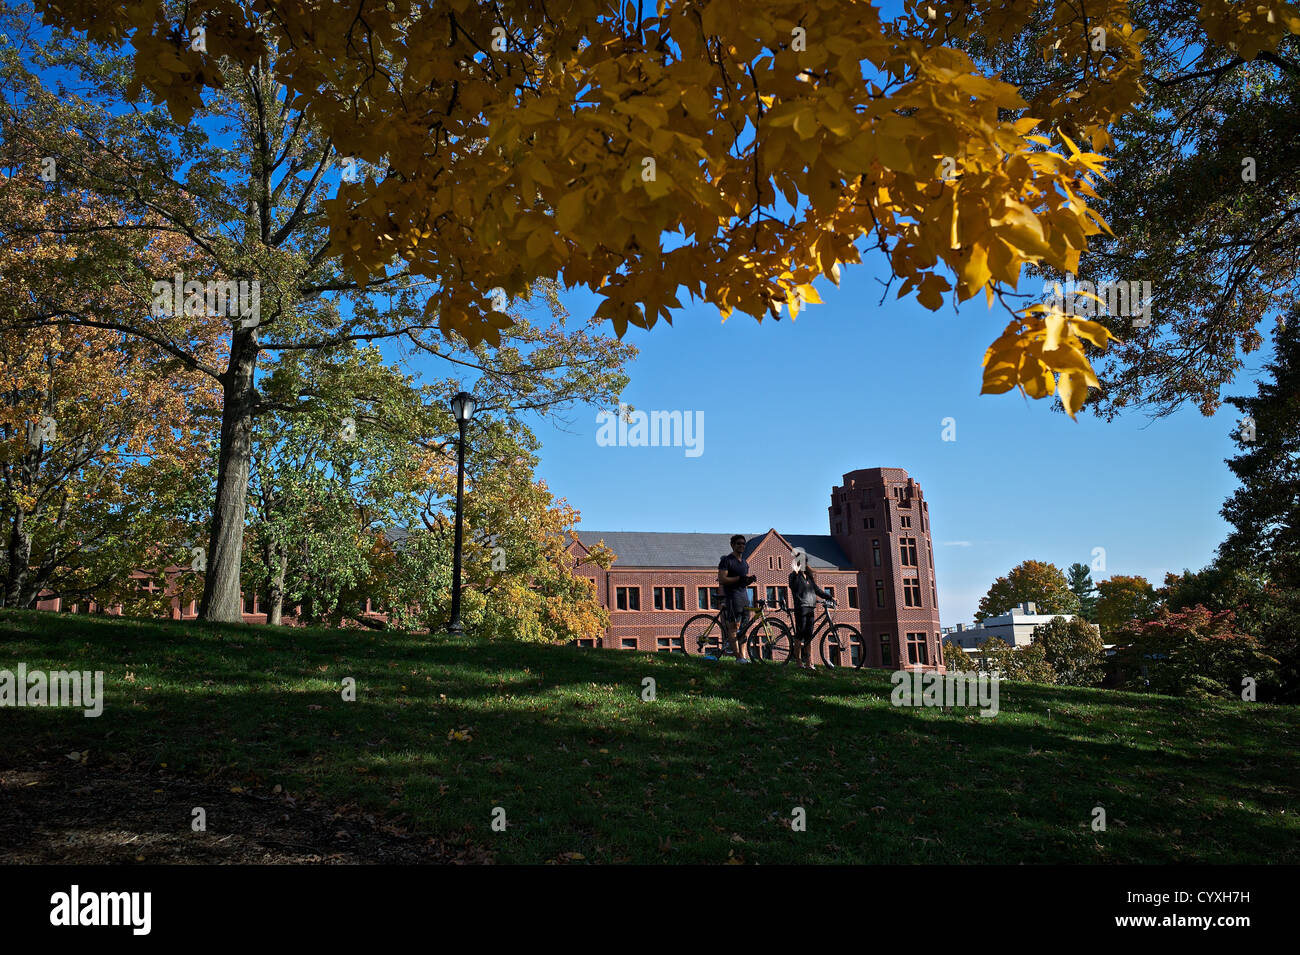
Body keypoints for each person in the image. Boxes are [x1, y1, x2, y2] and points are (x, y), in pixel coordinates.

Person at [717, 534, 757, 662]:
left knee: (744, 628)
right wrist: (739, 579)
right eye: (738, 543)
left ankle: (743, 656)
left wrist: (749, 580)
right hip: (732, 597)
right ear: (732, 545)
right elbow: (722, 579)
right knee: (733, 627)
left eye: (743, 543)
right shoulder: (727, 560)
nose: (741, 546)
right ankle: (737, 656)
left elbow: (742, 583)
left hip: (744, 598)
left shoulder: (744, 563)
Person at [789, 560, 833, 670]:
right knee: (800, 634)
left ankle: (809, 663)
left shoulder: (809, 577)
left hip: (810, 608)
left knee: (809, 636)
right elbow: (792, 585)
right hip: (801, 607)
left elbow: (817, 590)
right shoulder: (794, 576)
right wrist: (796, 570)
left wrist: (830, 597)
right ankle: (798, 661)